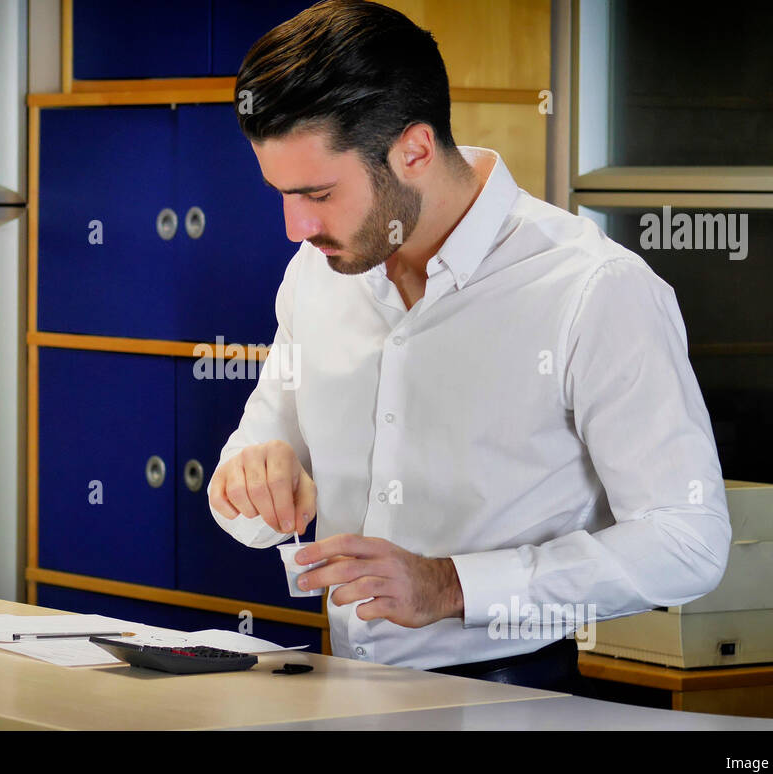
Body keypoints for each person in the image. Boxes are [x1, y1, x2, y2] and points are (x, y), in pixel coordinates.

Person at [206, 0, 732, 696]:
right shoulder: (318, 271)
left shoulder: (594, 290)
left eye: (318, 193)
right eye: (281, 193)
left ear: (415, 150)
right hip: (337, 690)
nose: (294, 226)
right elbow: (248, 474)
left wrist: (453, 584)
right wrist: (250, 480)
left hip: (514, 697)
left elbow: (687, 540)